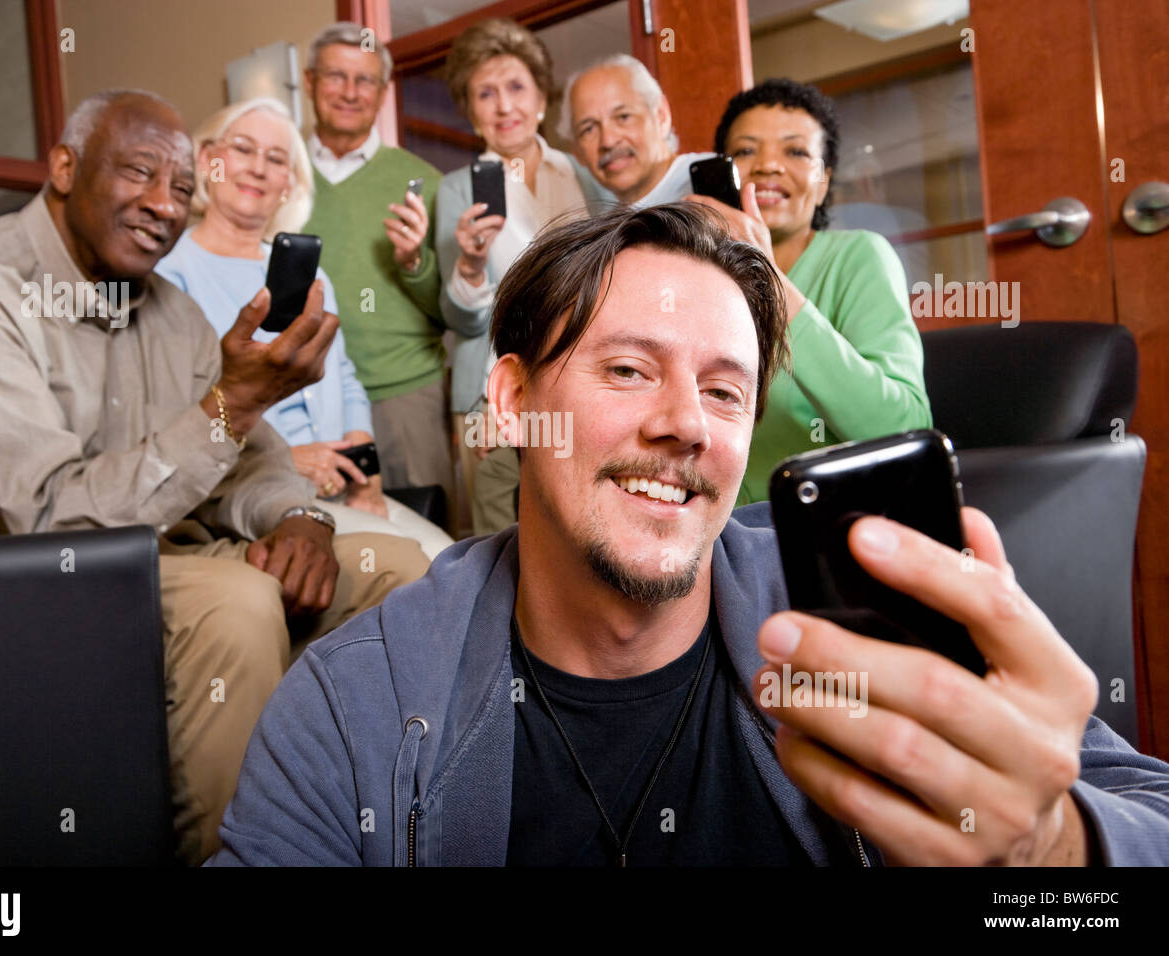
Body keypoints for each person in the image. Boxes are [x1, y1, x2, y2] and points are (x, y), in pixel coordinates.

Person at [209, 203, 1169, 866]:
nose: (689, 425)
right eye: (627, 370)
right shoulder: (355, 702)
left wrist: (1050, 858)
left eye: (724, 391)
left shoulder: (870, 630)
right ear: (508, 401)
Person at [0, 89, 429, 865]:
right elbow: (48, 515)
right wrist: (235, 399)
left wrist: (301, 519)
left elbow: (249, 462)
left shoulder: (173, 313)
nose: (164, 206)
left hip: (142, 556)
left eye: (181, 189)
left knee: (396, 567)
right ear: (64, 168)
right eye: (139, 173)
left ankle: (372, 843)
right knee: (235, 603)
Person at [156, 97, 453, 560]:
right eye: (243, 149)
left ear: (289, 184)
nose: (258, 168)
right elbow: (178, 415)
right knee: (418, 567)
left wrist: (364, 468)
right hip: (253, 497)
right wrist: (285, 461)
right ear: (206, 159)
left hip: (340, 487)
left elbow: (345, 377)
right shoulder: (171, 278)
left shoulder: (312, 277)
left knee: (452, 562)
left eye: (276, 159)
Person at [703, 78, 931, 503]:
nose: (768, 166)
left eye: (795, 152)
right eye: (747, 150)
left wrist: (767, 274)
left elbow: (902, 427)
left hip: (826, 530)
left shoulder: (860, 256)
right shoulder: (700, 277)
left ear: (824, 182)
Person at [434, 18, 612, 535]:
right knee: (493, 539)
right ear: (471, 113)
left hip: (575, 381)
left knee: (575, 529)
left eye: (516, 88)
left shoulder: (582, 176)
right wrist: (468, 264)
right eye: (485, 94)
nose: (504, 106)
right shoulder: (456, 190)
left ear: (540, 100)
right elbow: (460, 320)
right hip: (486, 395)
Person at [302, 22, 456, 507]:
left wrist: (414, 262)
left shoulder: (425, 182)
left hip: (404, 397)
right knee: (323, 556)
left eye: (365, 80)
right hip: (306, 397)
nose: (350, 92)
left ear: (383, 91)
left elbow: (451, 311)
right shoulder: (272, 179)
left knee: (429, 548)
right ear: (309, 82)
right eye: (336, 77)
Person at [562, 54, 712, 207]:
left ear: (661, 116)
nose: (608, 141)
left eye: (623, 117)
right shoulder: (607, 221)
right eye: (588, 129)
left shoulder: (716, 181)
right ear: (576, 151)